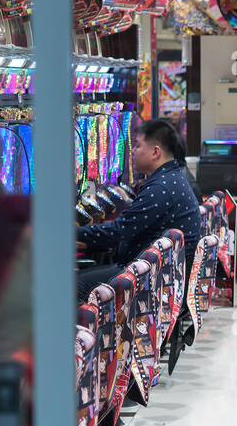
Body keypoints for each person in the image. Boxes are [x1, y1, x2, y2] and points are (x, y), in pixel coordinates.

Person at [76, 118, 201, 301]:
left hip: (152, 279)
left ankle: (79, 330)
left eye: (138, 146)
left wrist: (73, 234)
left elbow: (120, 231)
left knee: (77, 284)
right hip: (165, 274)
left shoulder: (161, 187)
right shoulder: (169, 178)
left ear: (155, 152)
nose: (133, 151)